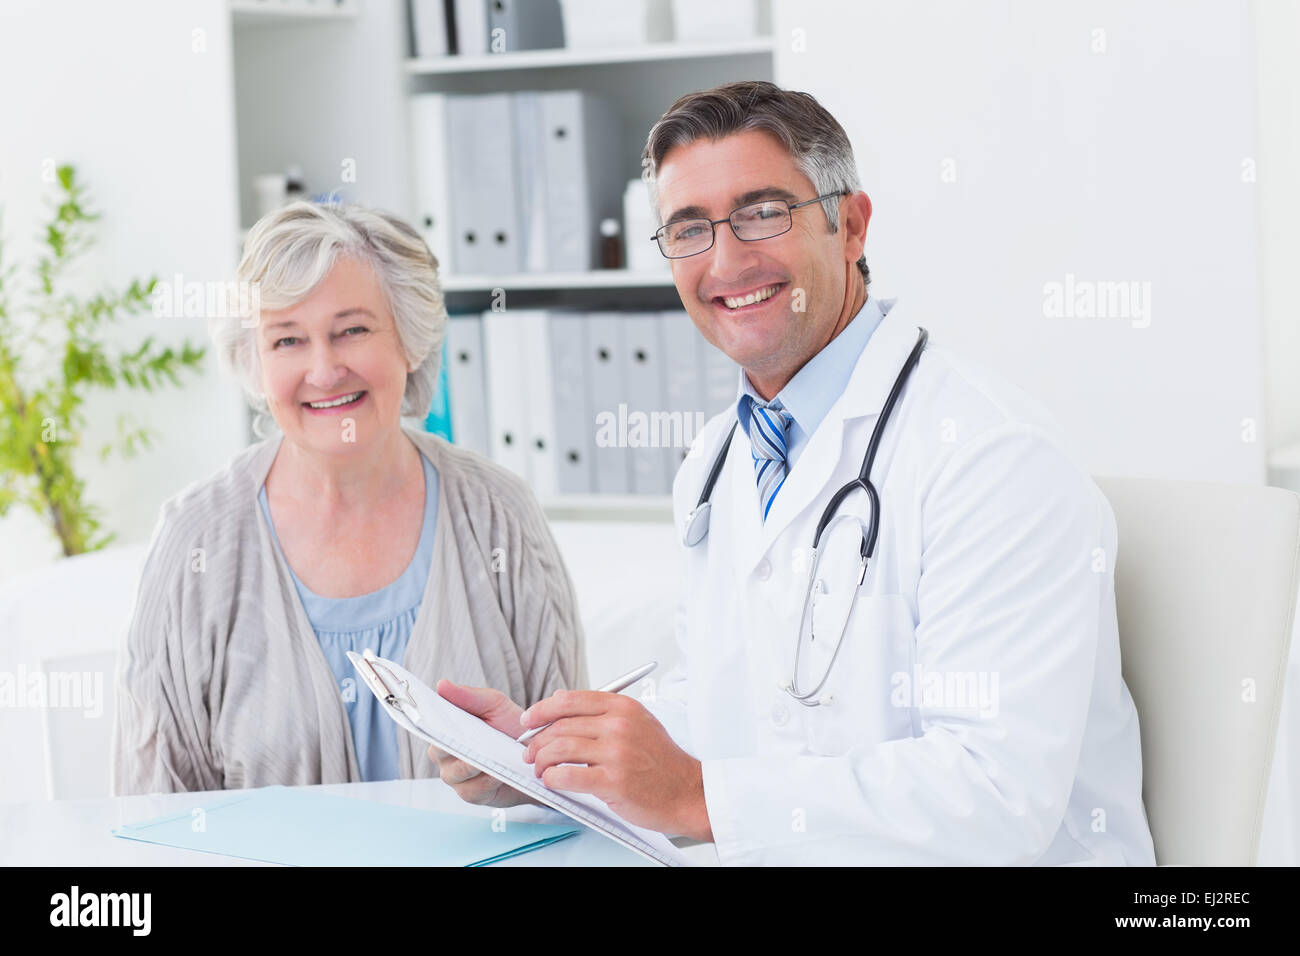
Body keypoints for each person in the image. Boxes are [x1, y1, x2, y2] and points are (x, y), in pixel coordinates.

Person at [429, 81, 1156, 866]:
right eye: (689, 229)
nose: (726, 260)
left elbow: (995, 796)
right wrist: (551, 761)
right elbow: (734, 707)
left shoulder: (988, 457)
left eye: (763, 213)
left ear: (850, 224)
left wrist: (694, 795)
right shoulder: (720, 459)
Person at [112, 201, 586, 794]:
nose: (324, 369)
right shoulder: (195, 541)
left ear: (409, 340)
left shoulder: (500, 515)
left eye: (352, 330)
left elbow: (573, 786)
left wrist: (521, 784)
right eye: (287, 340)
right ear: (256, 364)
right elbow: (154, 811)